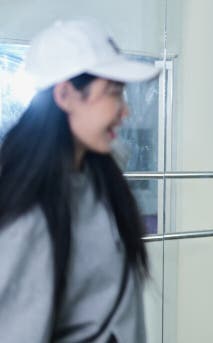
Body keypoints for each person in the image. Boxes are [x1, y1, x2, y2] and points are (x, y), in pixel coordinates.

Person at [0, 19, 160, 342]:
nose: (125, 111)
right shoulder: (27, 214)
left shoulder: (96, 177)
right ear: (65, 95)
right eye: (113, 94)